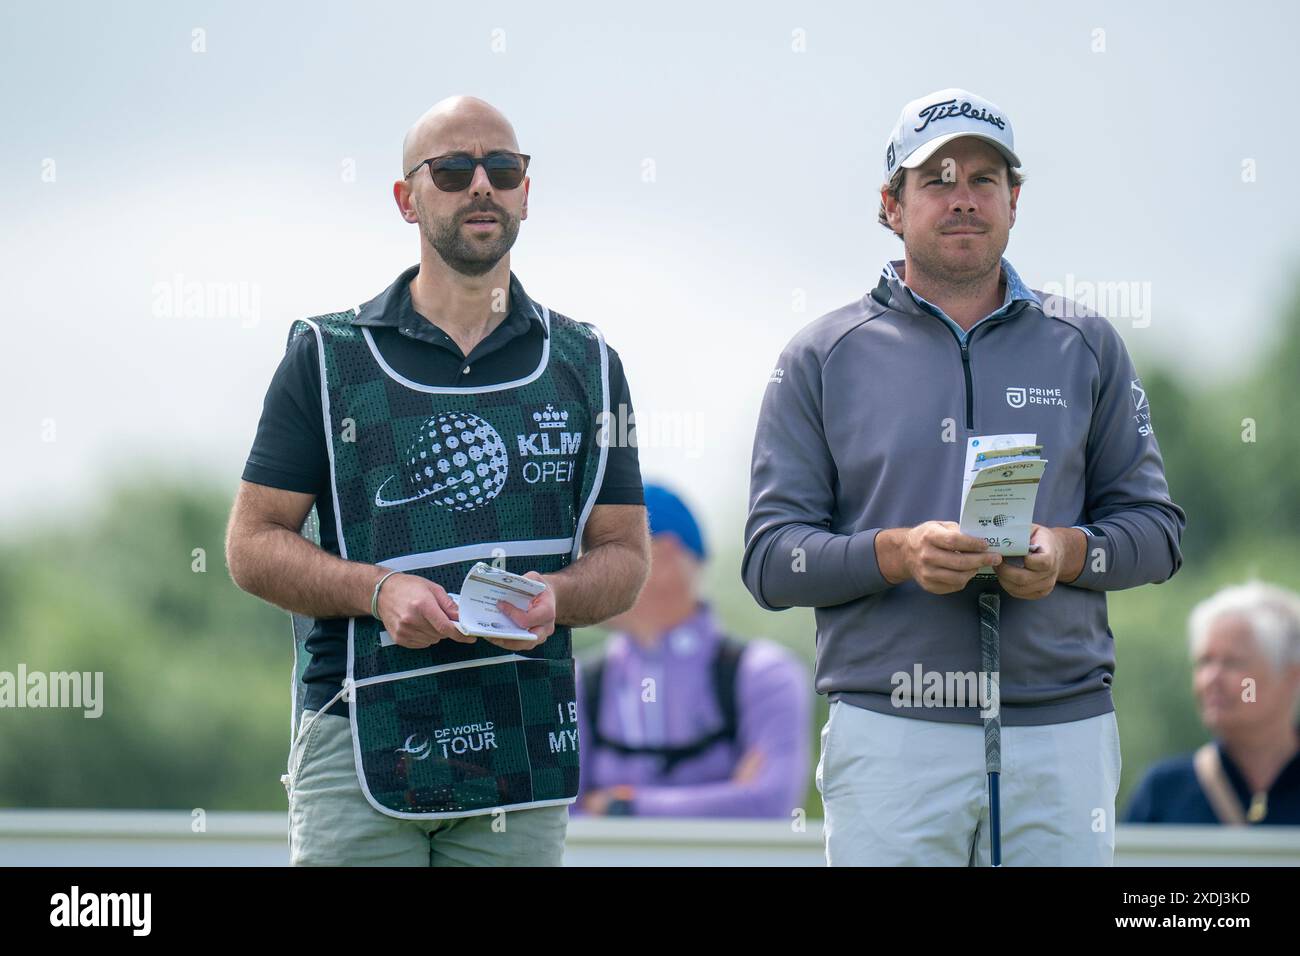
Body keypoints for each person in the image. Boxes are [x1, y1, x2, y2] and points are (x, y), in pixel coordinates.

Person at [742, 88, 1186, 866]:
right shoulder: (820, 356)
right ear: (891, 205)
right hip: (891, 733)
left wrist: (1065, 551)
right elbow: (772, 561)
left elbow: (1157, 533)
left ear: (1014, 201)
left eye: (984, 180)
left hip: (1062, 733)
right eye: (938, 180)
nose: (963, 199)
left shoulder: (1085, 344)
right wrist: (897, 553)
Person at [225, 95, 650, 866]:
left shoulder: (588, 363)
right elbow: (251, 547)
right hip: (358, 738)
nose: (480, 185)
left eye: (503, 168)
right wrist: (379, 591)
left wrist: (556, 598)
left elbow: (624, 557)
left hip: (521, 741)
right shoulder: (328, 355)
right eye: (453, 171)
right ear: (406, 200)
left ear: (527, 190)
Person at [575, 484, 810, 818]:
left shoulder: (766, 673)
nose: (572, 572)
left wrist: (621, 806)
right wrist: (726, 798)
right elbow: (553, 821)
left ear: (663, 557)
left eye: (593, 554)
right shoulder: (580, 683)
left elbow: (769, 806)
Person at [1125, 581, 1300, 825]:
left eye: (1233, 663)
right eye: (1204, 662)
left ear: (1291, 678)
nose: (1210, 679)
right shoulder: (1162, 794)